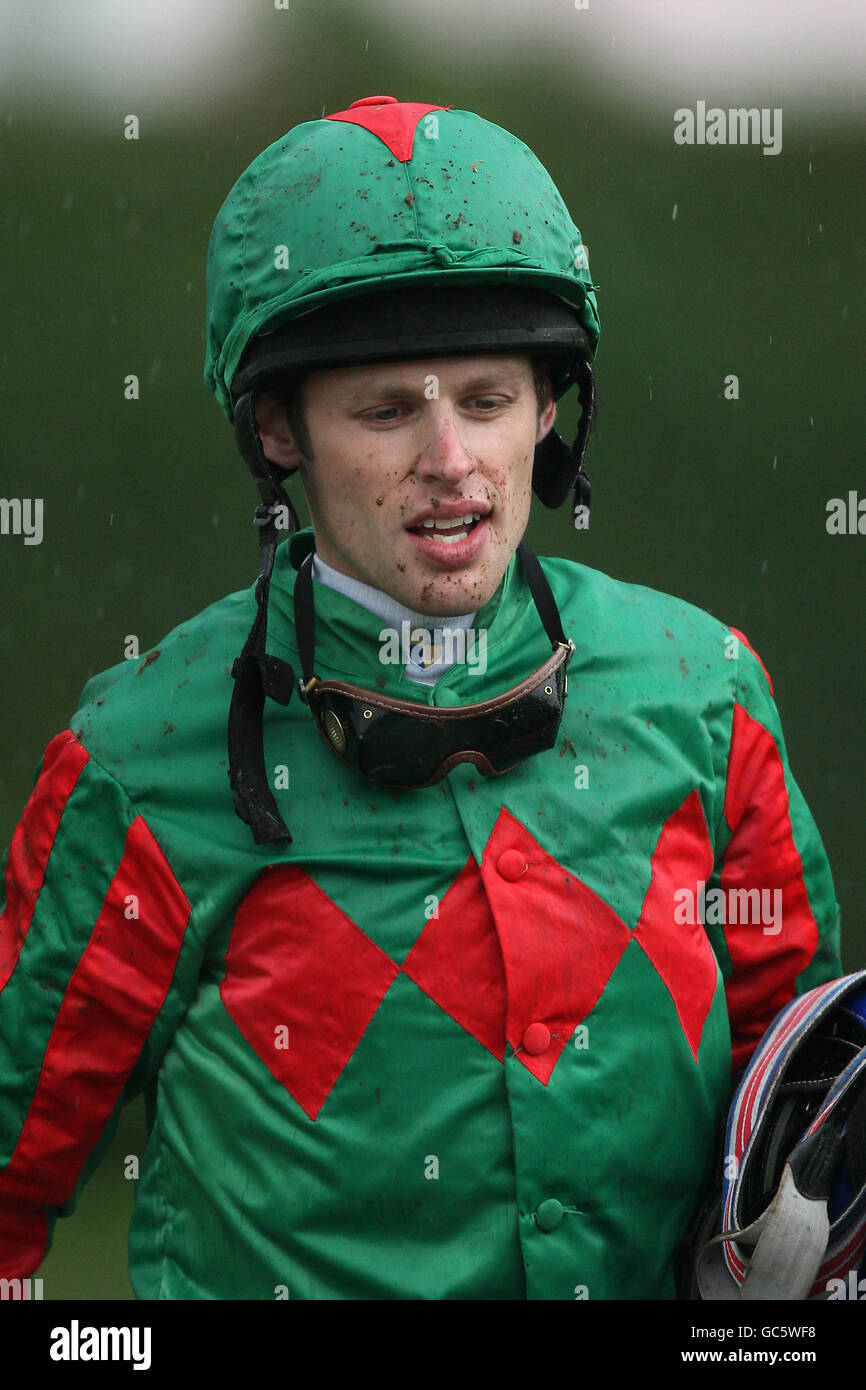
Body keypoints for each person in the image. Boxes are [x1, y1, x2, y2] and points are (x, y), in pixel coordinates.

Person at [0, 95, 842, 1300]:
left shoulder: (707, 692)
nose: (449, 461)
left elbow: (796, 1100)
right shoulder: (136, 757)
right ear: (278, 429)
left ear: (549, 412)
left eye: (487, 401)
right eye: (388, 409)